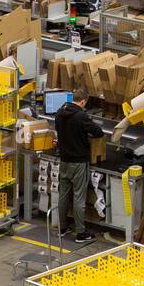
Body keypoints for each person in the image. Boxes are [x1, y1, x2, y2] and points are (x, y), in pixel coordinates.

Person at [54, 85, 104, 244]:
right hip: (78, 163)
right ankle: (81, 233)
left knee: (63, 195)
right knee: (79, 198)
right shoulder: (81, 116)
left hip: (64, 160)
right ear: (83, 101)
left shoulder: (60, 112)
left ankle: (62, 228)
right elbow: (98, 132)